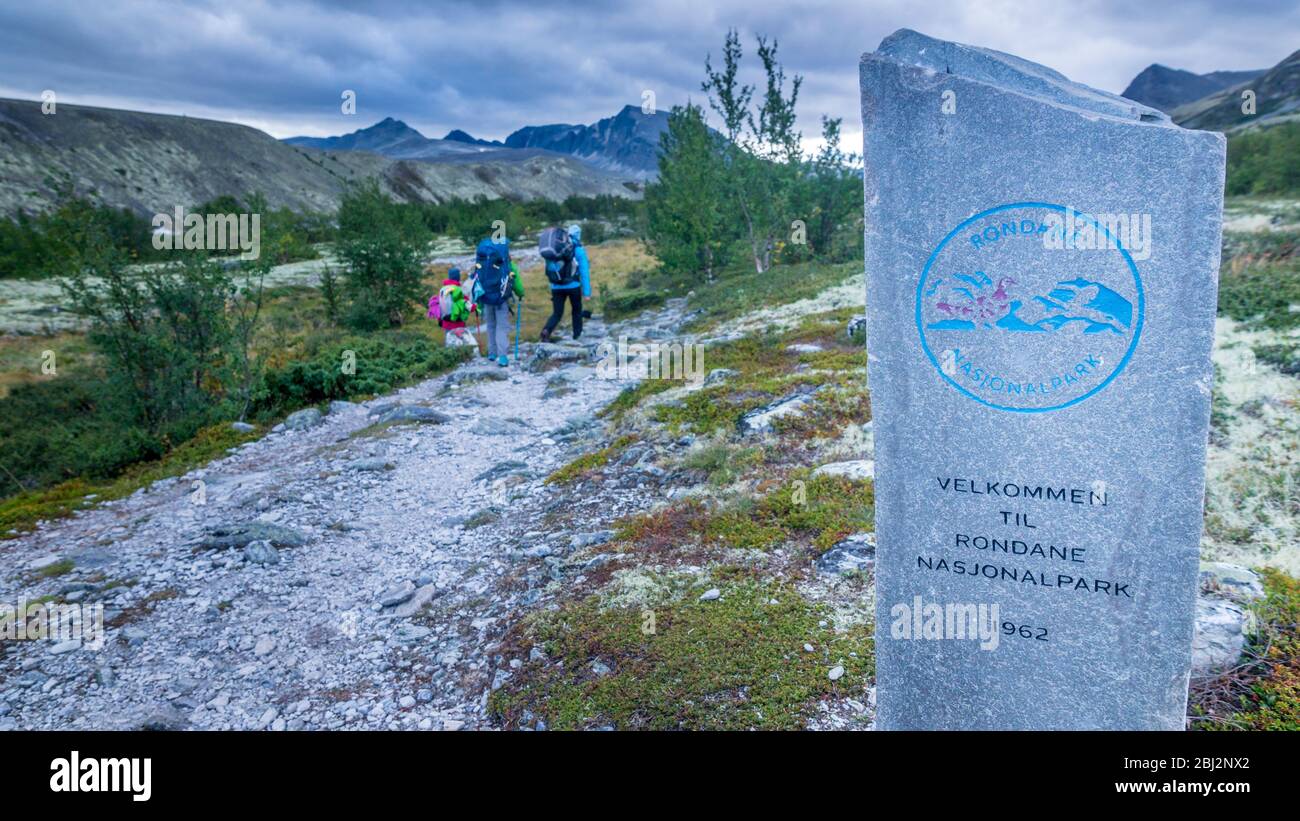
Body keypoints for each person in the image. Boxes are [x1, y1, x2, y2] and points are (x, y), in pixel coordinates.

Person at [472, 238, 524, 366]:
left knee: (490, 325)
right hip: (501, 299)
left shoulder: (484, 263)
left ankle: (492, 353)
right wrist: (521, 294)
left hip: (486, 298)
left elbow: (476, 279)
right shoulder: (509, 265)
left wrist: (478, 302)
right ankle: (502, 356)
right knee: (502, 326)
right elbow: (517, 284)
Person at [540, 224, 590, 342]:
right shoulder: (578, 249)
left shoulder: (555, 247)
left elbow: (550, 268)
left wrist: (552, 284)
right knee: (576, 310)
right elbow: (584, 271)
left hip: (556, 286)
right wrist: (587, 292)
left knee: (557, 313)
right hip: (573, 286)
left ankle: (546, 330)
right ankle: (577, 335)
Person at [430, 267, 477, 347]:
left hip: (446, 322)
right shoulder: (459, 290)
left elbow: (440, 306)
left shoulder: (443, 290)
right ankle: (461, 356)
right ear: (458, 278)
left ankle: (449, 356)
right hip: (458, 323)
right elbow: (468, 307)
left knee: (449, 341)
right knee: (460, 342)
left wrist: (440, 320)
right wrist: (475, 306)